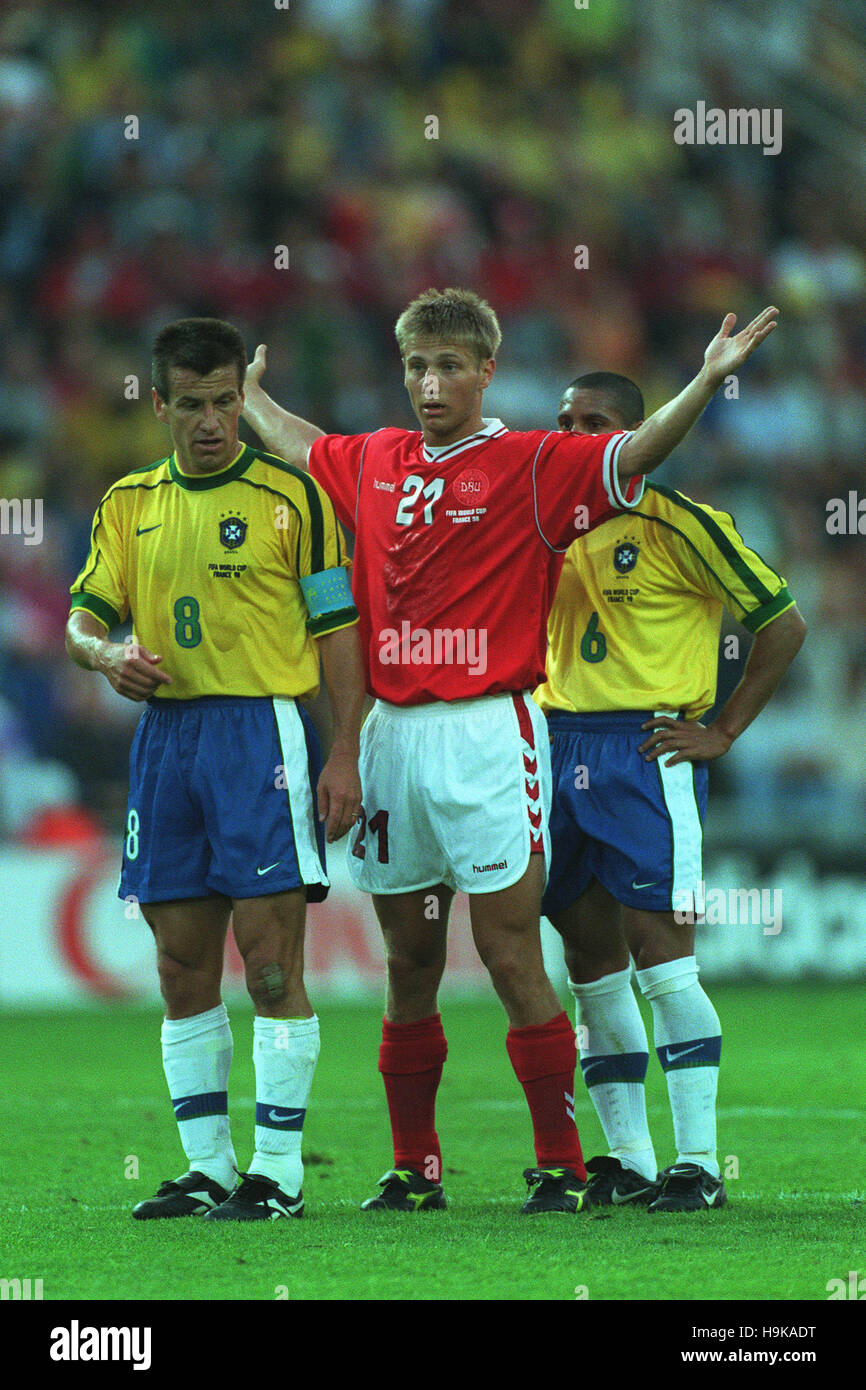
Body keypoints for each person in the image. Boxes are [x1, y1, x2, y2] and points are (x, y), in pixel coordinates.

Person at [241, 288, 779, 1214]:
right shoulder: (372, 460)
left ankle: (562, 1164)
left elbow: (635, 453)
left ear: (486, 371)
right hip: (387, 738)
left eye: (449, 365)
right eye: (416, 366)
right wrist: (245, 397)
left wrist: (703, 381)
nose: (429, 383)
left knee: (511, 954)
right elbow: (297, 441)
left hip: (490, 732)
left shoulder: (531, 464)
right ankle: (415, 1167)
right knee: (408, 966)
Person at [65, 317, 365, 1222]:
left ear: (243, 396)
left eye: (225, 401)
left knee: (271, 965)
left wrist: (344, 751)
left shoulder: (294, 499)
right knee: (179, 963)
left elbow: (338, 632)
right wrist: (104, 654)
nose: (210, 421)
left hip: (259, 734)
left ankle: (279, 1173)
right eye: (191, 404)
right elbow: (85, 619)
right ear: (158, 404)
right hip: (165, 741)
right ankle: (209, 1168)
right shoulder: (127, 505)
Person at [536, 371, 806, 1212]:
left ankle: (698, 1163)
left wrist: (721, 731)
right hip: (552, 745)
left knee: (663, 957)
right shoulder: (539, 522)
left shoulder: (681, 522)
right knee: (590, 968)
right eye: (567, 422)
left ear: (638, 432)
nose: (579, 438)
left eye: (598, 424)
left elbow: (783, 621)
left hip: (644, 750)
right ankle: (629, 1160)